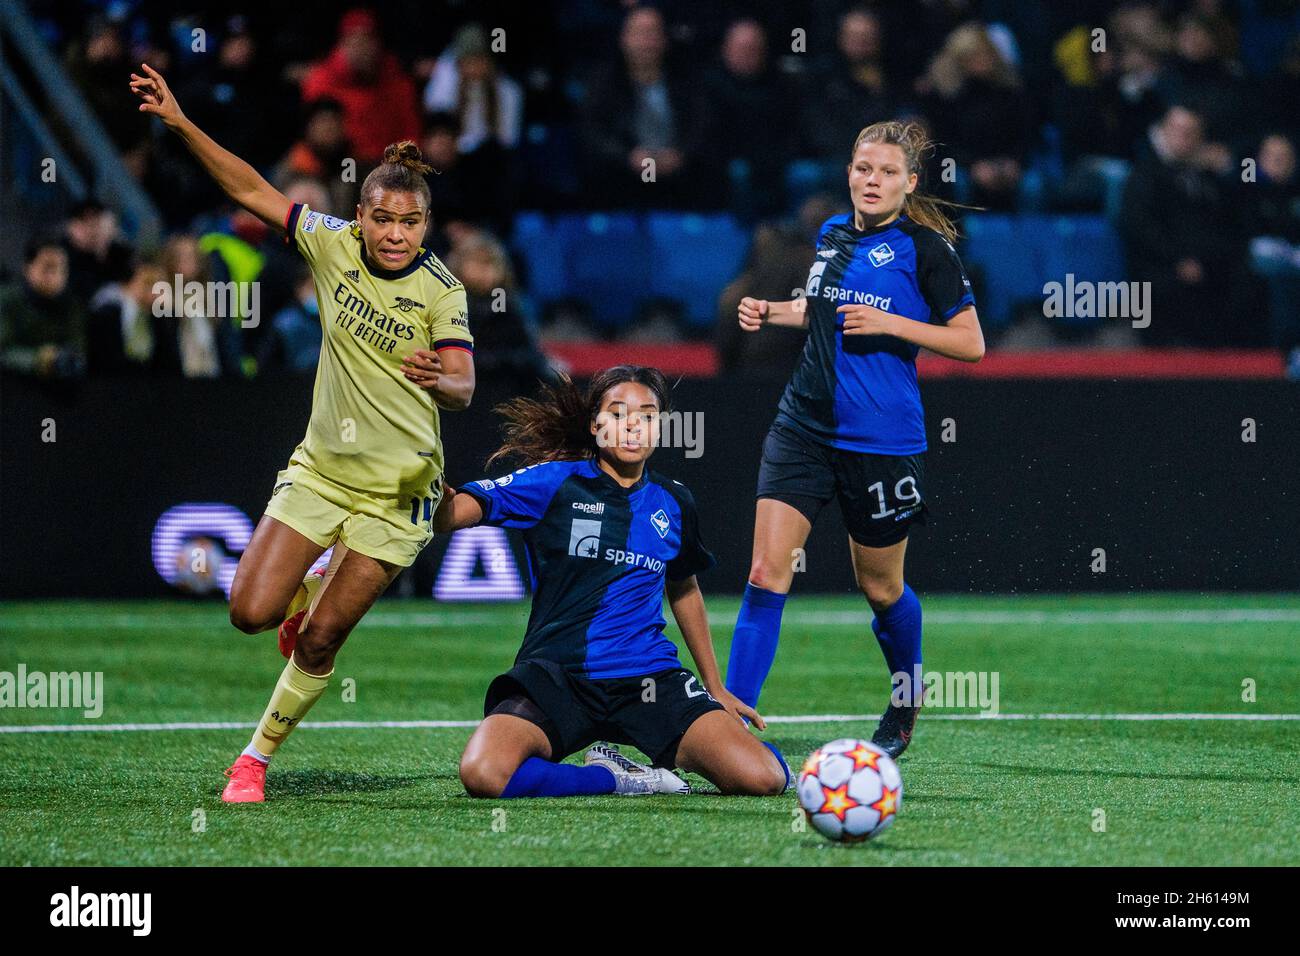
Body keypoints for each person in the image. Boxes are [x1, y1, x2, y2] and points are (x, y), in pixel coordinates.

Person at [130, 62, 475, 802]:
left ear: (425, 224)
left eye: (409, 222)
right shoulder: (329, 244)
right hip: (321, 472)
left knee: (321, 640)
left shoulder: (442, 289)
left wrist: (437, 379)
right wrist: (182, 123)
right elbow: (251, 189)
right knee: (250, 613)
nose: (393, 233)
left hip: (397, 495)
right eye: (381, 219)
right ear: (360, 217)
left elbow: (465, 386)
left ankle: (252, 760)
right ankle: (307, 584)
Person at [723, 121, 984, 759]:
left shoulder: (927, 251)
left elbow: (971, 344)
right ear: (849, 173)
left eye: (888, 172)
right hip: (801, 427)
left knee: (880, 588)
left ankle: (906, 694)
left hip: (882, 438)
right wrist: (771, 311)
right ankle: (727, 725)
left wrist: (894, 322)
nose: (873, 181)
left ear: (910, 183)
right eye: (864, 169)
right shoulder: (831, 235)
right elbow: (826, 308)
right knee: (764, 570)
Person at [434, 366, 789, 798]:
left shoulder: (674, 501)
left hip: (649, 679)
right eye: (618, 414)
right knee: (484, 773)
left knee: (763, 778)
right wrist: (431, 494)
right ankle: (621, 778)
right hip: (559, 677)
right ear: (595, 424)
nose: (633, 426)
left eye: (647, 415)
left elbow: (683, 587)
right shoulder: (554, 482)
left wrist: (716, 688)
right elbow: (455, 515)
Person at [0, 238, 87, 380]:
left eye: (62, 269)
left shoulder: (72, 305)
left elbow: (77, 350)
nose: (55, 276)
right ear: (27, 268)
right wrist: (39, 359)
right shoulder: (7, 300)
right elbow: (3, 352)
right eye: (48, 268)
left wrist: (64, 359)